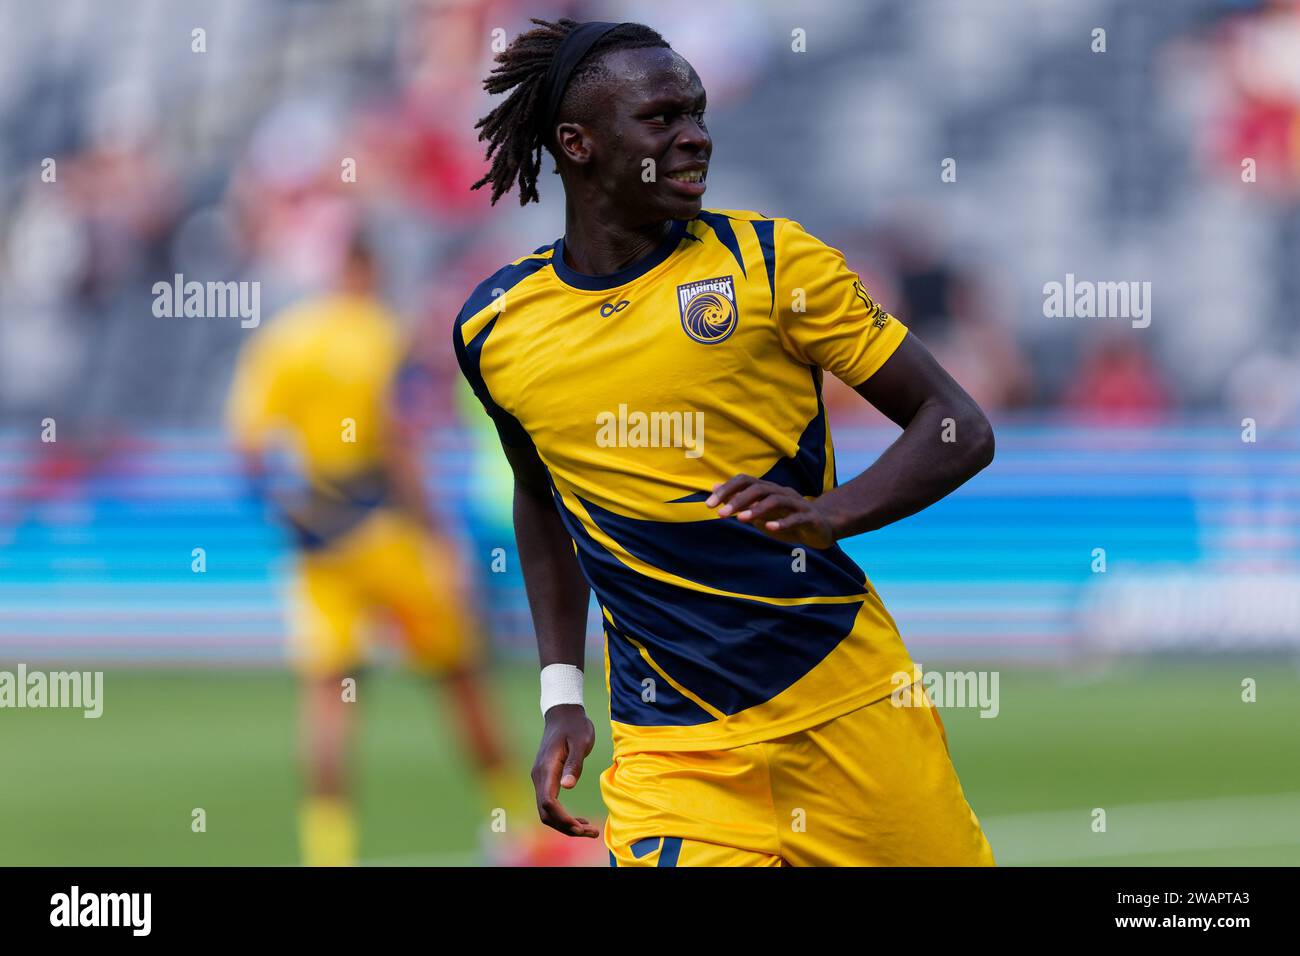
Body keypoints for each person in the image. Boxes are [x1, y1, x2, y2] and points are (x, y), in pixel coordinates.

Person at [454, 18, 997, 866]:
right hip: (674, 755)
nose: (695, 135)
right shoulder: (497, 326)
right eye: (662, 118)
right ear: (579, 144)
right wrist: (561, 690)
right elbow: (541, 495)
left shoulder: (775, 265)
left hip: (845, 706)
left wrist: (831, 513)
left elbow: (958, 423)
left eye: (698, 113)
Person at [227, 234, 540, 866]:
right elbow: (401, 445)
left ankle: (329, 853)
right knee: (460, 678)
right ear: (368, 268)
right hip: (388, 533)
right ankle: (516, 827)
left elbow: (250, 451)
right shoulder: (380, 332)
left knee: (328, 694)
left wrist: (296, 520)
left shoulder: (285, 340)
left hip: (321, 541)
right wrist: (437, 535)